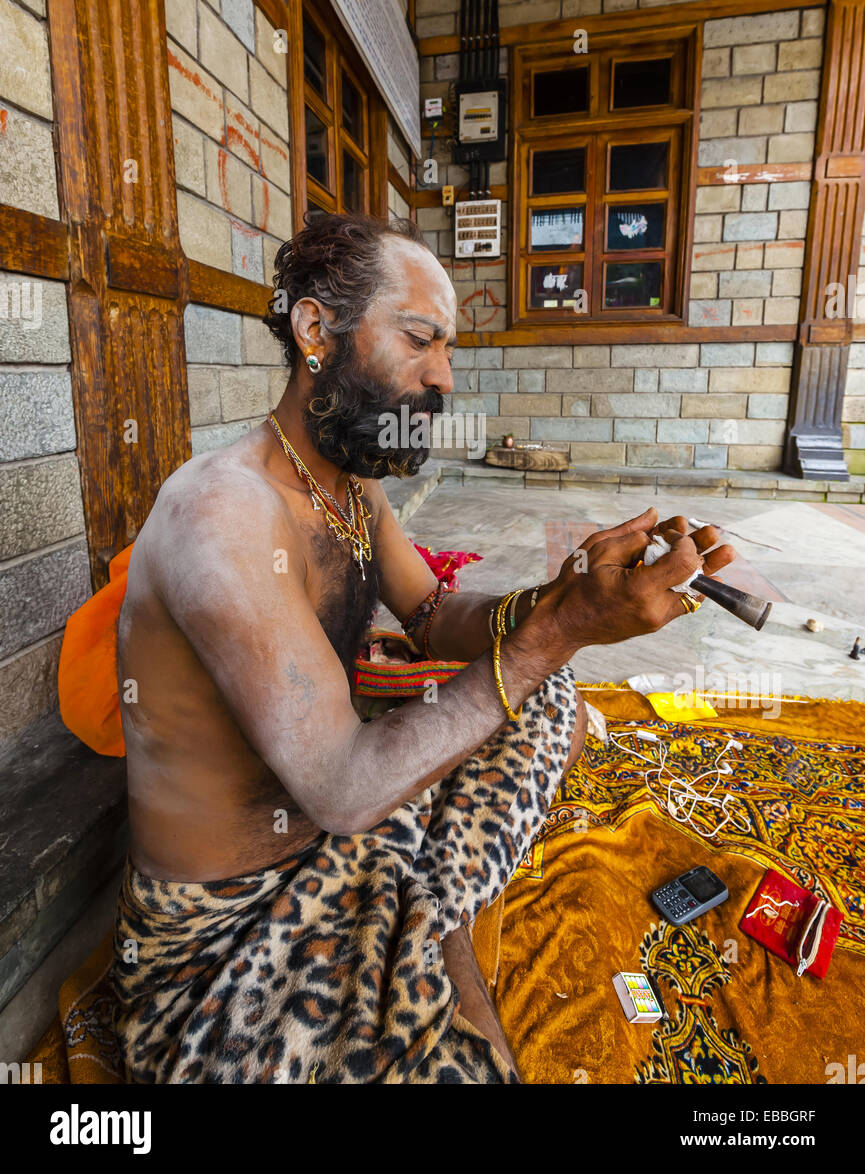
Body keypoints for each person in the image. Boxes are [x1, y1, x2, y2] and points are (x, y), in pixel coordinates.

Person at [112, 212, 733, 1084]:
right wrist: (556, 633)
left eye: (447, 348)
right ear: (316, 329)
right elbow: (341, 787)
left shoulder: (347, 486)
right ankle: (425, 917)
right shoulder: (221, 513)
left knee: (550, 702)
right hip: (221, 937)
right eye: (419, 341)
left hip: (337, 829)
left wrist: (563, 594)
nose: (442, 376)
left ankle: (416, 910)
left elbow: (436, 613)